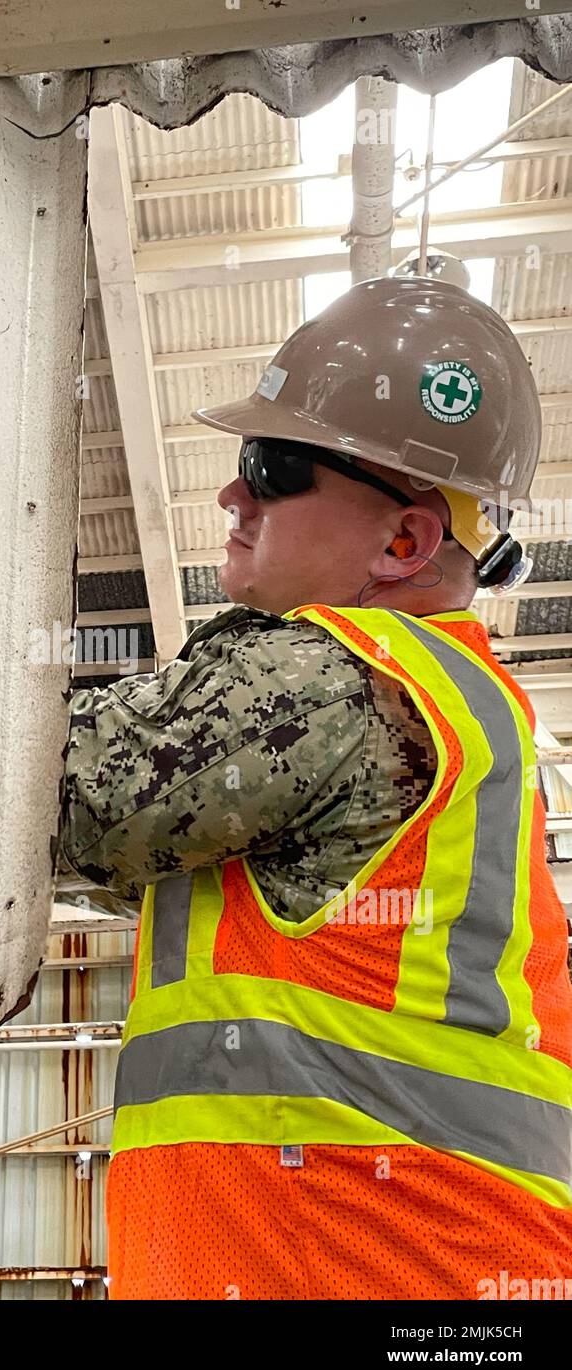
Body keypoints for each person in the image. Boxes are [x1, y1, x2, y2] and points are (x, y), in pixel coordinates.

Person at [59, 274, 572, 1300]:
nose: (231, 494)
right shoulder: (453, 707)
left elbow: (58, 801)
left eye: (272, 465)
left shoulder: (341, 676)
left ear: (404, 541)